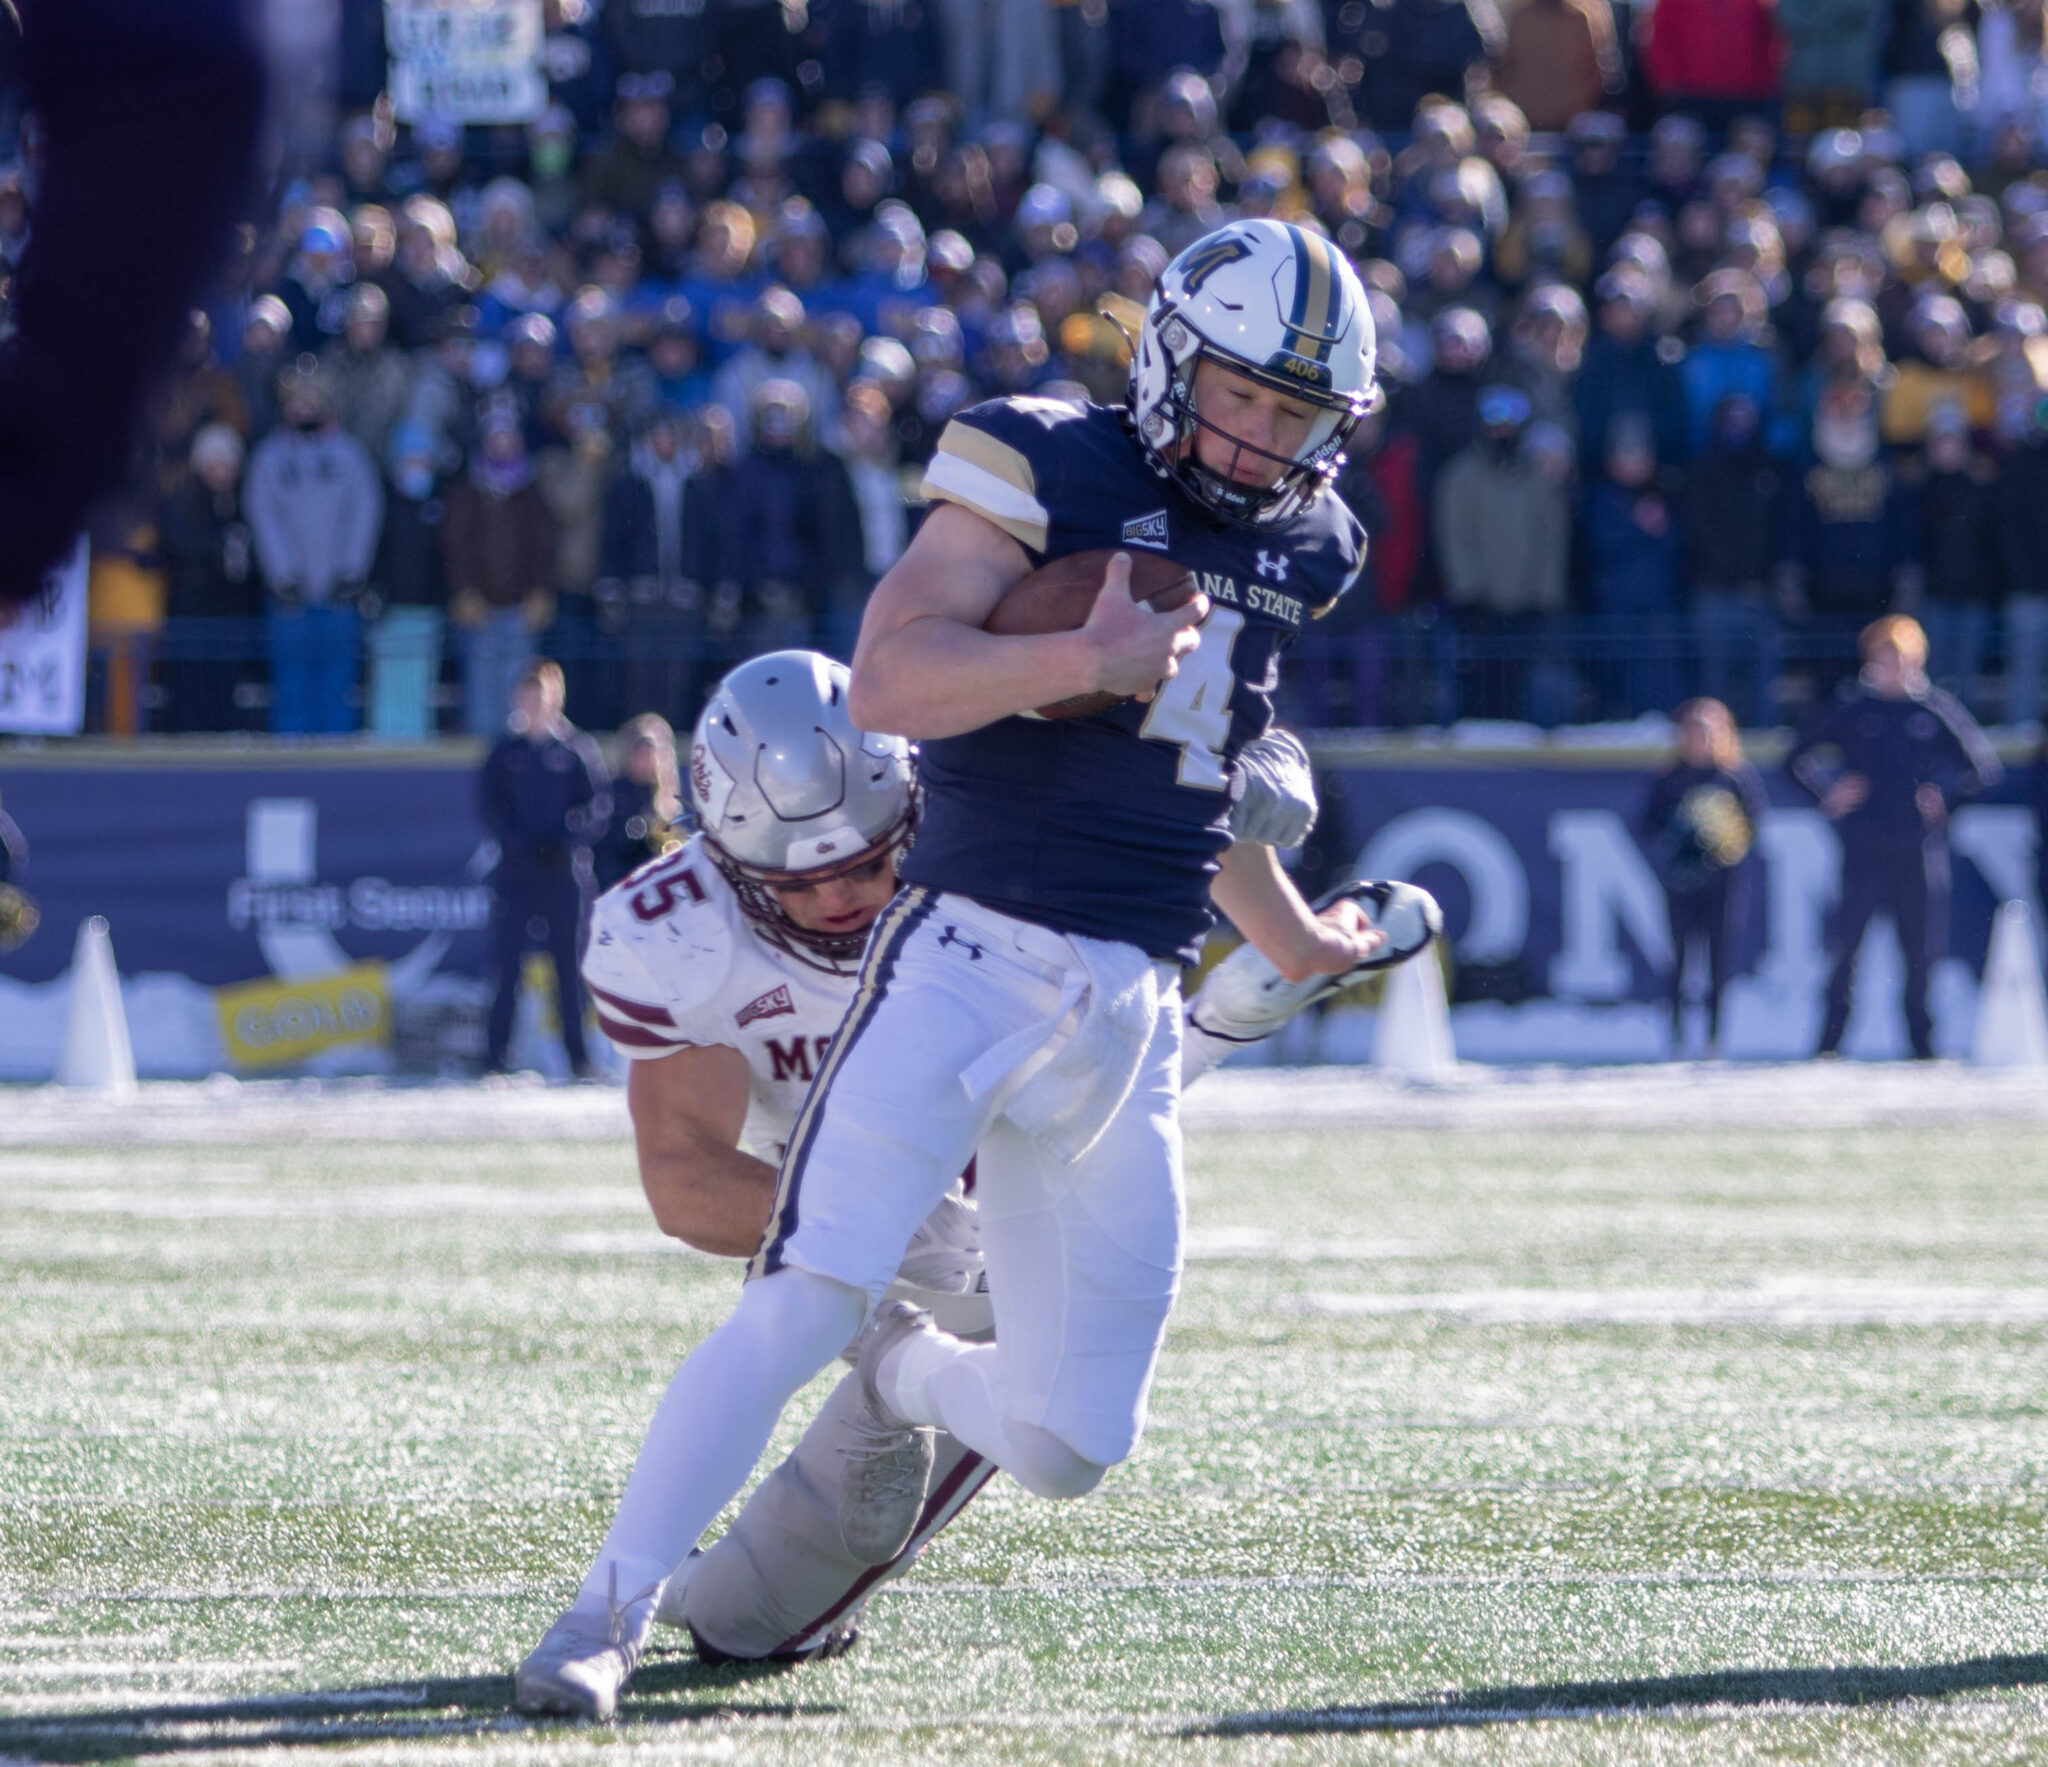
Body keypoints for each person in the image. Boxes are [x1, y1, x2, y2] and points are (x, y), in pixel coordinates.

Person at [512, 218, 1388, 1718]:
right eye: (1241, 395)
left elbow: (1200, 773)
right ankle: (601, 1613)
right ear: (1173, 359)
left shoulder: (1305, 548)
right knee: (800, 1295)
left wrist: (1297, 934)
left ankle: (912, 1372)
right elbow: (901, 673)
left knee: (1071, 1440)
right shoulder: (1045, 458)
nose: (1259, 438)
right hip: (970, 948)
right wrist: (1077, 664)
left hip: (1123, 1000)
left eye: (1295, 413)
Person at [559, 654, 1401, 1671]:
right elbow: (685, 1181)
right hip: (846, 1220)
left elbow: (1154, 817)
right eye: (796, 878)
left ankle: (1215, 1026)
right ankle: (652, 1578)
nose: (835, 897)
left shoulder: (992, 829)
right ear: (727, 858)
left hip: (1013, 1185)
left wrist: (1290, 920)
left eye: (866, 864)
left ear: (917, 808)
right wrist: (869, 1228)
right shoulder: (675, 931)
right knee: (749, 1616)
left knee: (750, 1623)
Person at [1786, 615, 2000, 1060]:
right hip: (1862, 850)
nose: (1894, 670)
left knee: (1920, 955)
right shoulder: (1855, 711)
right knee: (1846, 952)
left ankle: (1922, 1047)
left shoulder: (1932, 710)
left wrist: (1946, 803)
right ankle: (1828, 1046)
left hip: (1916, 850)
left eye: (1901, 660)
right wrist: (1827, 793)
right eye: (1885, 660)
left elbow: (1981, 771)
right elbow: (1793, 758)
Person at [479, 660, 611, 1079]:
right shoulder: (505, 752)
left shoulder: (575, 750)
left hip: (563, 876)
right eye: (529, 695)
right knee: (507, 968)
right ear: (518, 698)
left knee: (568, 971)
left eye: (544, 695)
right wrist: (521, 844)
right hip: (517, 875)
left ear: (557, 699)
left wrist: (566, 842)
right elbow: (489, 808)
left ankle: (578, 1060)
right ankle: (495, 1060)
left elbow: (597, 807)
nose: (536, 703)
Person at [243, 364, 385, 735]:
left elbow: (364, 513)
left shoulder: (351, 456)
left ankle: (337, 773)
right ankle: (290, 770)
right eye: (297, 401)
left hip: (339, 595)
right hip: (289, 599)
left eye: (312, 400)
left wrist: (351, 572)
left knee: (337, 686)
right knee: (291, 686)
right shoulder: (269, 459)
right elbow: (263, 515)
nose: (305, 408)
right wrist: (282, 575)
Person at [1643, 699, 1768, 1055]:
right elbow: (1648, 825)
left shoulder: (1735, 777)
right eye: (1693, 732)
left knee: (1720, 961)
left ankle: (1715, 1038)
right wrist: (1679, 831)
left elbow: (1755, 826)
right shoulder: (1670, 778)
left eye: (1708, 732)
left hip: (1723, 882)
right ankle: (1677, 1037)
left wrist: (1724, 837)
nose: (1700, 740)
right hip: (1681, 883)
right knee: (1678, 959)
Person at [589, 713, 682, 894]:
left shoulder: (662, 796)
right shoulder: (613, 792)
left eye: (651, 754)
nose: (646, 761)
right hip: (620, 881)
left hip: (654, 885)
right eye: (641, 754)